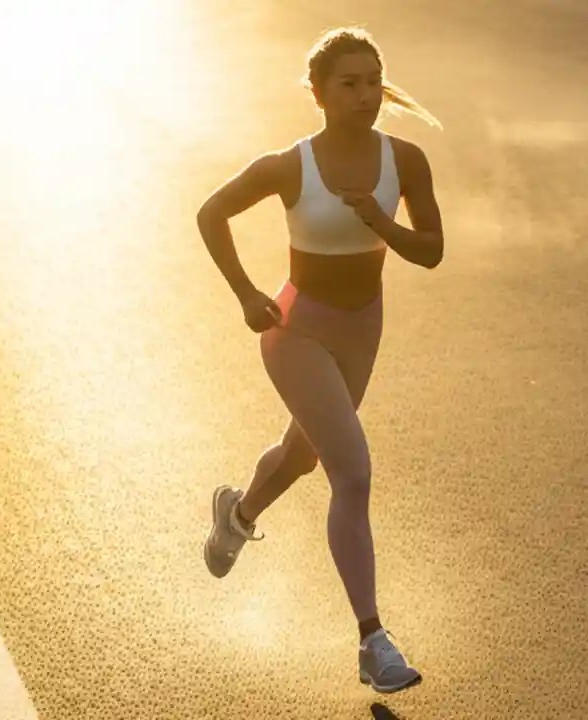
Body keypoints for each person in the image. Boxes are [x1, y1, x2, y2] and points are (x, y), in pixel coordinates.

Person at [194, 26, 444, 694]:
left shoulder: (406, 160)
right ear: (319, 94)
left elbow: (430, 250)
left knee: (302, 456)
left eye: (373, 82)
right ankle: (373, 641)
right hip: (295, 329)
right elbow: (212, 212)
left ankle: (238, 515)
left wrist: (381, 223)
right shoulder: (288, 166)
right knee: (352, 472)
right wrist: (247, 293)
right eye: (349, 84)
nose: (366, 96)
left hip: (363, 329)